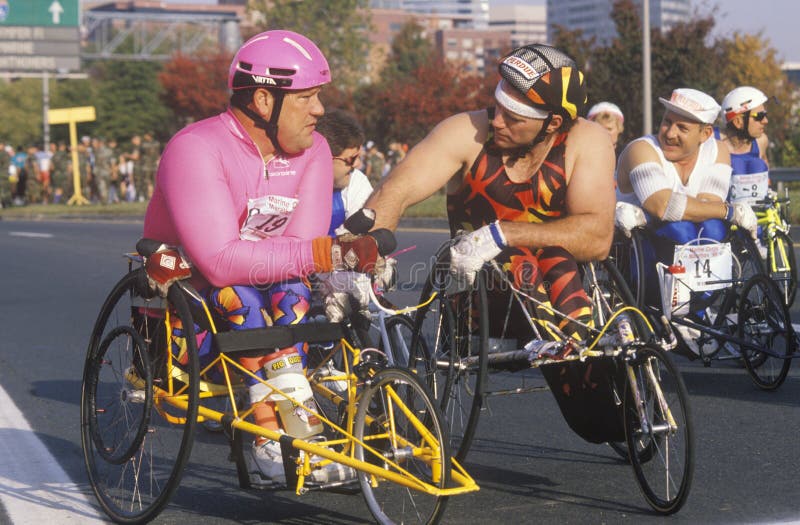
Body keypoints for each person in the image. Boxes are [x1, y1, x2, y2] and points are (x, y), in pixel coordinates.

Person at [142, 30, 388, 488]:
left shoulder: (314, 150)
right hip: (192, 299)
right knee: (242, 295)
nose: (320, 110)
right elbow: (219, 262)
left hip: (266, 288)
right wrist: (328, 253)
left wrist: (317, 255)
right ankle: (270, 440)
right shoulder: (195, 148)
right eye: (307, 98)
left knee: (292, 290)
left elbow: (301, 252)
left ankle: (302, 430)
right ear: (262, 100)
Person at [363, 43, 615, 342]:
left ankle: (579, 354)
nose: (497, 122)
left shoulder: (587, 141)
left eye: (513, 118)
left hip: (558, 295)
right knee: (517, 258)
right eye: (498, 107)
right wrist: (364, 257)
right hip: (477, 303)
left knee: (553, 257)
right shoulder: (465, 132)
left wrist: (501, 234)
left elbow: (598, 238)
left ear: (552, 123)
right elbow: (395, 190)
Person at [615, 88, 757, 353]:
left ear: (705, 134)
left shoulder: (717, 150)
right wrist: (728, 211)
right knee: (681, 228)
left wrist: (716, 211)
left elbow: (708, 207)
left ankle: (696, 310)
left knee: (712, 228)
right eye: (667, 122)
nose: (669, 133)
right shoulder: (641, 149)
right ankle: (677, 311)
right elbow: (663, 206)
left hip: (679, 245)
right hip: (636, 252)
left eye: (682, 127)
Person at [314, 108, 373, 236]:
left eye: (359, 157)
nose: (358, 164)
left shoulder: (356, 181)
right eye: (352, 159)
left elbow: (360, 237)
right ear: (323, 158)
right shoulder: (288, 178)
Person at [717, 86, 770, 206]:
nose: (765, 121)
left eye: (765, 114)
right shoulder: (711, 142)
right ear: (738, 122)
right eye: (759, 116)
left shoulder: (761, 141)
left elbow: (765, 174)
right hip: (723, 214)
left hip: (758, 213)